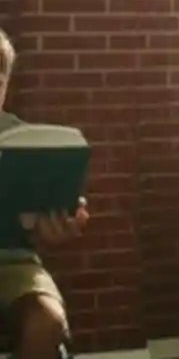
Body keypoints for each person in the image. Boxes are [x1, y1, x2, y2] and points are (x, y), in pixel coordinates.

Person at [0, 28, 90, 359]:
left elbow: (51, 210)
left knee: (47, 321)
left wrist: (63, 221)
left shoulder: (19, 140)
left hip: (10, 263)